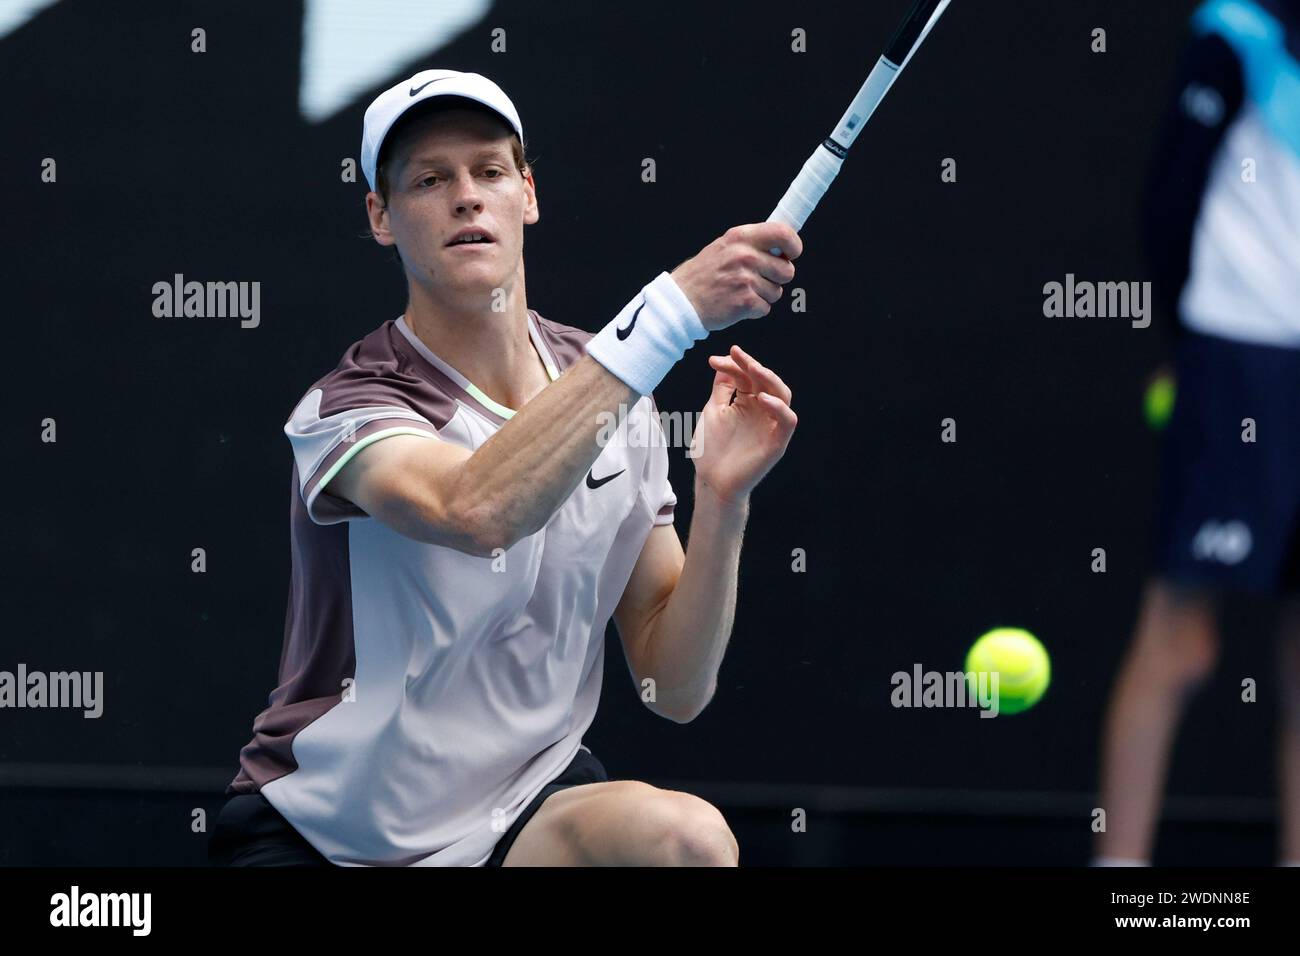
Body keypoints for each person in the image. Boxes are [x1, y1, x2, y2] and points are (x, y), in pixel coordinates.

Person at [208, 69, 803, 866]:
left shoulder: (614, 389)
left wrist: (723, 500)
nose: (465, 196)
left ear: (528, 194)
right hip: (327, 837)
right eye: (429, 179)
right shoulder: (350, 406)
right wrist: (672, 313)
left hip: (526, 807)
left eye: (489, 171)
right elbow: (476, 509)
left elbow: (675, 688)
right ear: (381, 217)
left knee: (684, 842)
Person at [1094, 0, 1300, 866]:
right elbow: (1168, 199)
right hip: (1239, 356)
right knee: (1180, 639)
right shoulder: (1236, 31)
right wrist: (1190, 346)